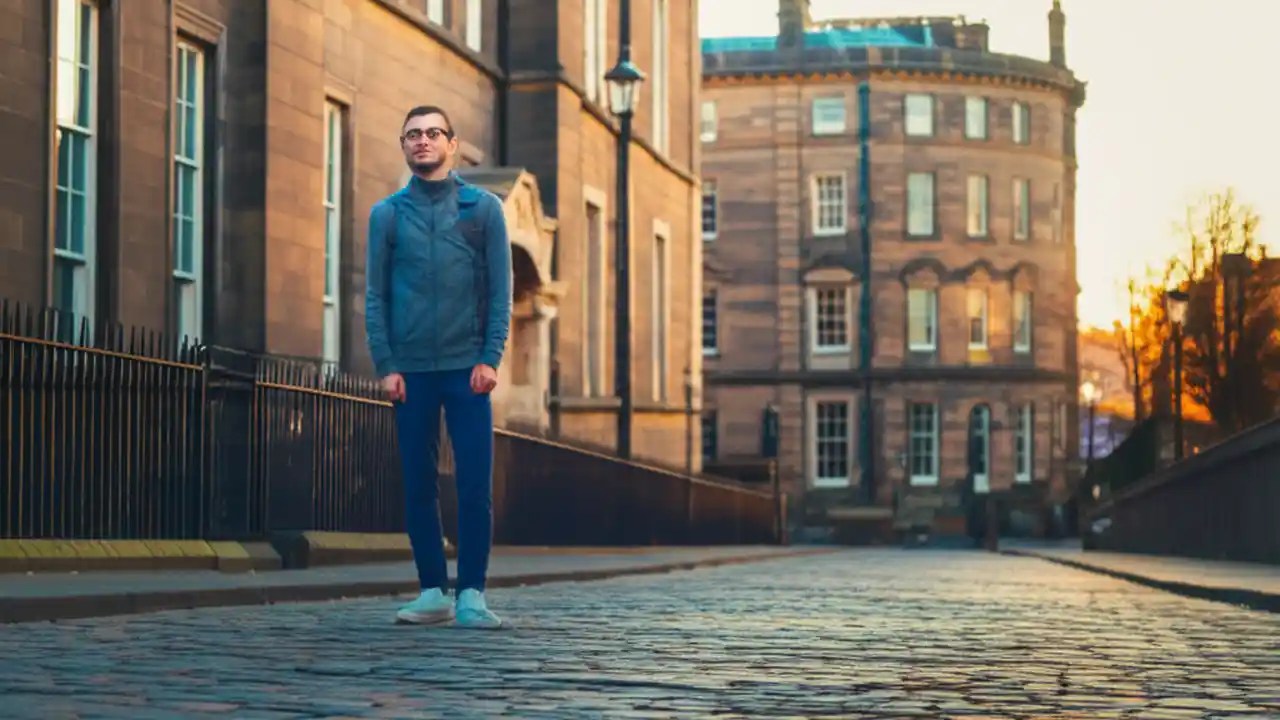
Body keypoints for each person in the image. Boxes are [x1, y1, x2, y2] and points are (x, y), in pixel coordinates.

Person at [365, 105, 512, 628]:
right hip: (411, 371)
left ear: (452, 144)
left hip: (466, 369)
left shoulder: (483, 210)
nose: (422, 141)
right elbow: (376, 296)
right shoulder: (386, 214)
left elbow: (500, 293)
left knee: (474, 483)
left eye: (433, 133)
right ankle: (433, 591)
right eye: (413, 135)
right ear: (403, 146)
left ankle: (471, 591)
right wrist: (387, 364)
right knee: (417, 482)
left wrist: (490, 357)